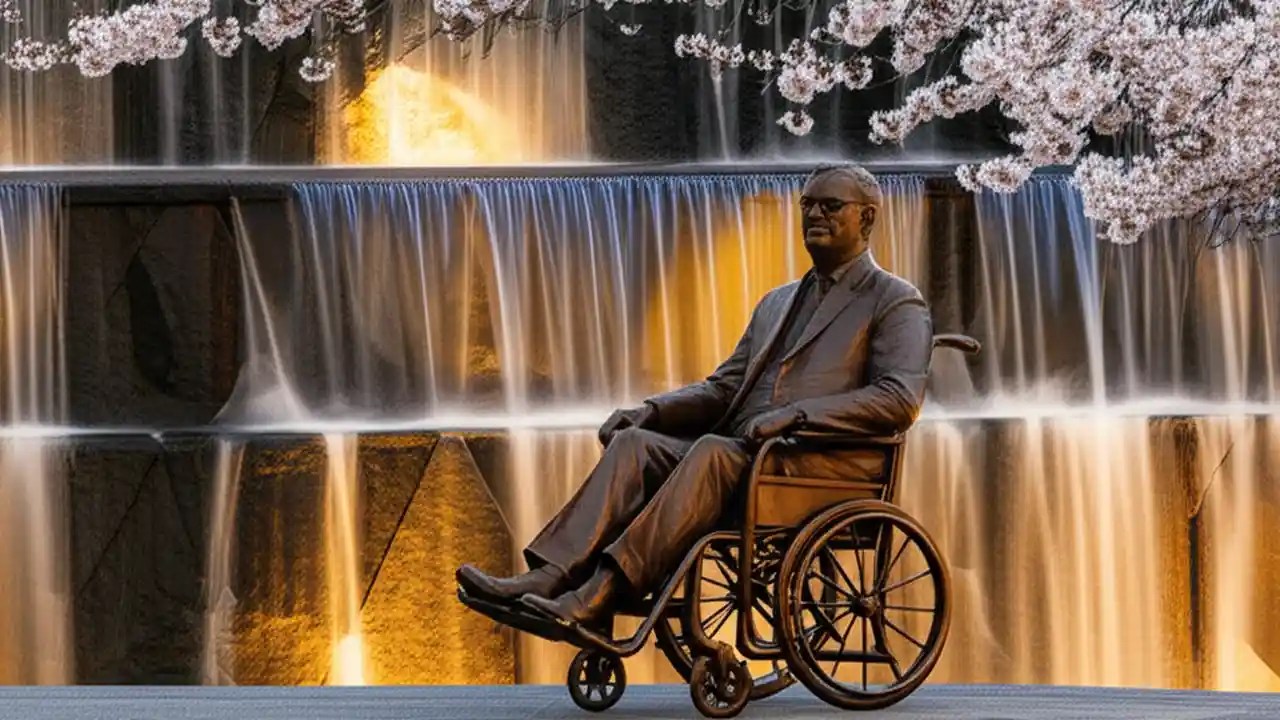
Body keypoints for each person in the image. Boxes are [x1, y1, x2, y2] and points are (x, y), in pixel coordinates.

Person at [456, 163, 933, 634]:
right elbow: (724, 387)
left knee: (710, 452)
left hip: (816, 466)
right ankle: (548, 574)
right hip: (745, 459)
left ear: (867, 218)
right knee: (635, 444)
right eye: (807, 205)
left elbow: (899, 400)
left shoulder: (894, 300)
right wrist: (652, 409)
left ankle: (601, 591)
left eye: (831, 206)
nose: (814, 216)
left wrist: (794, 415)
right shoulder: (777, 302)